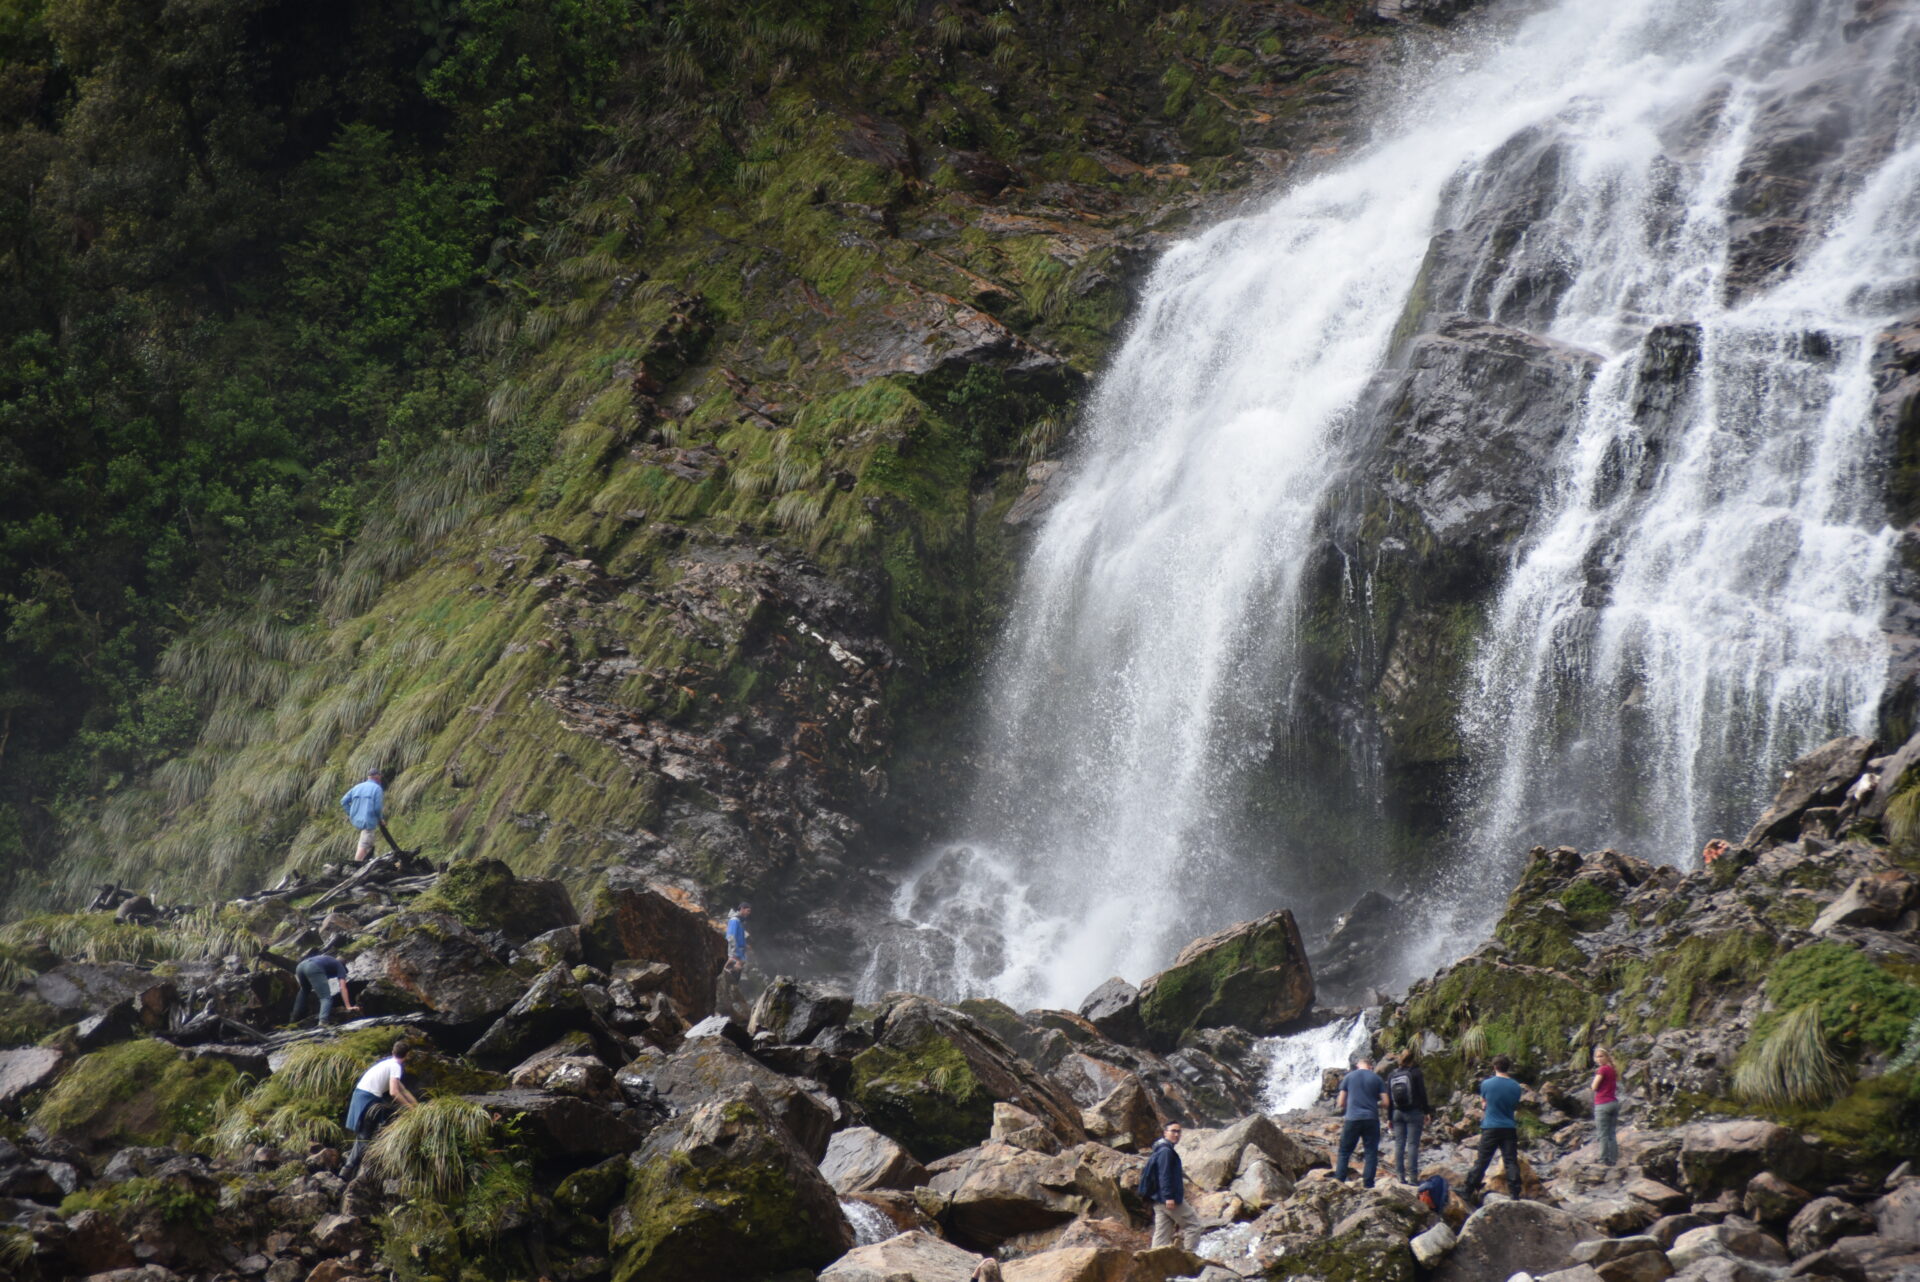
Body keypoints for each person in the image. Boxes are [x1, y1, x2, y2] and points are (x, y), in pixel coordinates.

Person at [340, 1038, 418, 1180]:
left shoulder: (387, 1063)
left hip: (361, 1095)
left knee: (368, 1131)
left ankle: (352, 1165)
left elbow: (404, 1090)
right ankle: (347, 1170)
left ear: (393, 1051)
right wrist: (411, 1109)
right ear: (407, 1055)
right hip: (369, 1098)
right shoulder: (396, 1066)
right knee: (366, 1134)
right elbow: (394, 1092)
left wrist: (417, 1107)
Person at [1462, 1055, 1526, 1200]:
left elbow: (1484, 1103)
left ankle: (1468, 1190)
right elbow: (1514, 1105)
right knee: (1510, 1160)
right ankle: (1515, 1193)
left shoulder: (1486, 1084)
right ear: (1508, 1067)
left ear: (1494, 1067)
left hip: (1490, 1126)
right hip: (1509, 1127)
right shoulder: (1516, 1086)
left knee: (1482, 1160)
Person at [1137, 1121, 1200, 1249]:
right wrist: (1169, 1197)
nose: (1176, 1134)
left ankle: (1154, 1264)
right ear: (1165, 1133)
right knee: (1194, 1226)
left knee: (1161, 1236)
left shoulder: (1160, 1149)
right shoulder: (1166, 1152)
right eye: (1173, 1131)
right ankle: (1189, 1259)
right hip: (1168, 1199)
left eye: (1179, 1131)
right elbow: (1164, 1175)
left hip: (1158, 1200)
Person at [1334, 1054, 1390, 1189]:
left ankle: (1339, 1182)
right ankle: (1368, 1184)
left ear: (1358, 1065)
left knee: (1344, 1151)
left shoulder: (1348, 1077)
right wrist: (1373, 1105)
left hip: (1352, 1118)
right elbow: (1386, 1102)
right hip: (1371, 1118)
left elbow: (1341, 1103)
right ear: (1370, 1067)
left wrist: (1352, 1105)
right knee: (1371, 1152)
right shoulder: (1376, 1078)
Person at [1386, 1051, 1432, 1184]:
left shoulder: (1392, 1074)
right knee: (1412, 1145)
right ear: (1412, 1060)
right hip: (1413, 1112)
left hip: (1397, 1113)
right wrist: (1426, 1111)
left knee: (1399, 1144)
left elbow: (1389, 1097)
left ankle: (1400, 1176)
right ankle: (1413, 1177)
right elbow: (1422, 1093)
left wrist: (1389, 1117)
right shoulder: (1415, 1072)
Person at [289, 952, 358, 1025]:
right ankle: (323, 1022)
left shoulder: (328, 960)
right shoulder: (340, 966)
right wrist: (348, 1006)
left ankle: (293, 1020)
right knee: (326, 998)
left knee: (304, 990)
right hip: (313, 967)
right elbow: (343, 987)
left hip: (300, 967)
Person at [339, 769, 386, 863]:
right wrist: (380, 819)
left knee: (368, 844)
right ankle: (356, 866)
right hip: (369, 822)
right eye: (380, 776)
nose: (381, 778)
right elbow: (377, 808)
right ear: (377, 776)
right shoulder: (377, 788)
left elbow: (343, 801)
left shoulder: (357, 787)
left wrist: (351, 813)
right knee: (364, 846)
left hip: (357, 821)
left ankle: (365, 864)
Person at [1592, 1045, 1621, 1166]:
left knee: (1602, 1133)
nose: (1598, 1059)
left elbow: (1594, 1086)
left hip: (1602, 1104)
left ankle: (1603, 1158)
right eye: (1597, 1057)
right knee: (1611, 1133)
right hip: (1613, 1103)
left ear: (1607, 1057)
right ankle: (1613, 1159)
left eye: (1601, 1056)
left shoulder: (1602, 1070)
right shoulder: (1612, 1069)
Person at [724, 901, 752, 974]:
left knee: (739, 966)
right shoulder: (734, 920)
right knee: (732, 969)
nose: (749, 913)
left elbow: (739, 937)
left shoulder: (739, 922)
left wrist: (745, 945)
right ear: (742, 909)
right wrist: (733, 953)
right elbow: (730, 936)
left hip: (739, 952)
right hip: (735, 952)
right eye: (748, 911)